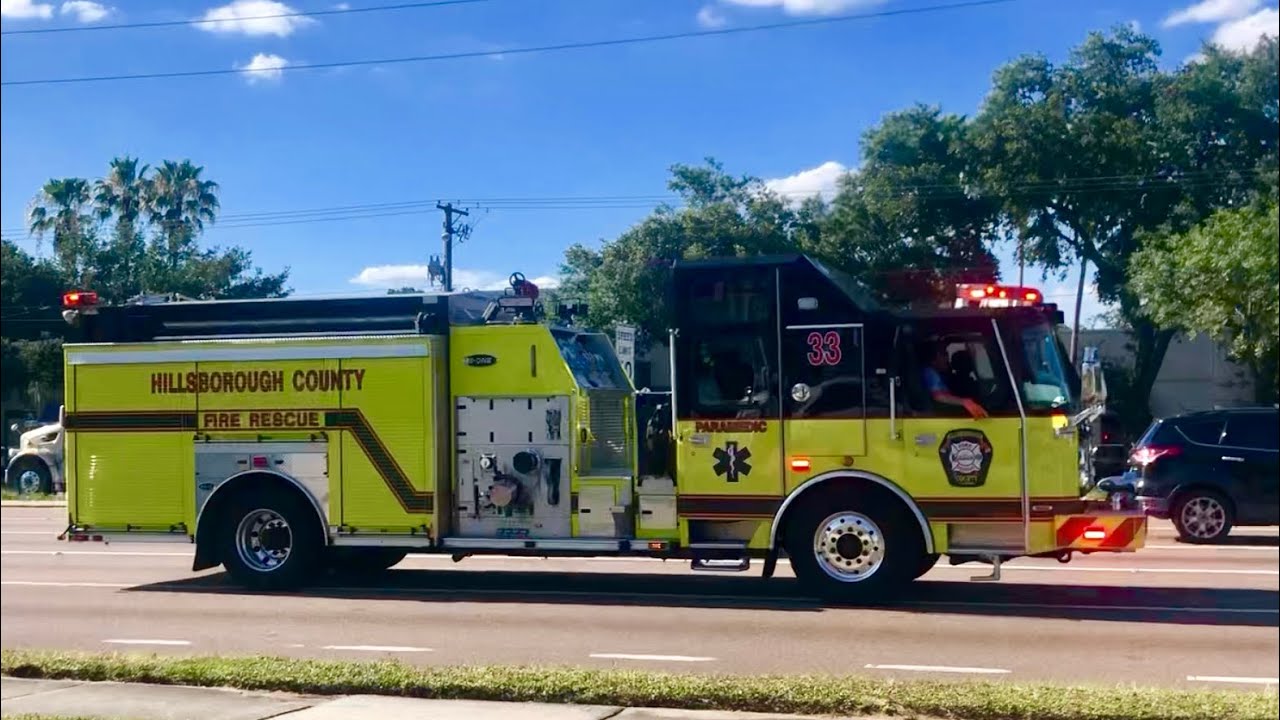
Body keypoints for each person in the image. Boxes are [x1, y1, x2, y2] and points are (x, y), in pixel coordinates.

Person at [921, 342, 988, 420]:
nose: (947, 358)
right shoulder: (929, 372)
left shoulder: (944, 375)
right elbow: (938, 396)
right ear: (933, 359)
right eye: (944, 354)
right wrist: (965, 402)